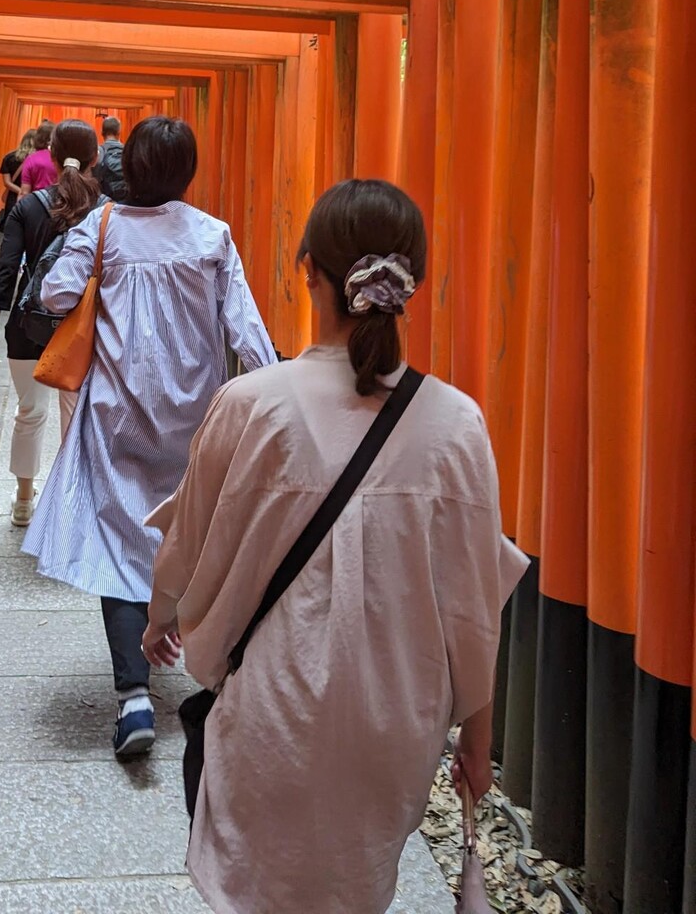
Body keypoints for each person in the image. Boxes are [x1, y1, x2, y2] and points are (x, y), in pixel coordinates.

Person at [141, 179, 528, 914]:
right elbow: (475, 607)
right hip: (395, 727)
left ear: (308, 270)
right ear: (411, 280)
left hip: (273, 714)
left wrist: (162, 617)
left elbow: (185, 547)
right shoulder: (457, 424)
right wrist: (475, 739)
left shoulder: (252, 404)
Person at [21, 116, 275, 759]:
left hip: (117, 412)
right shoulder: (213, 236)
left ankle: (134, 697)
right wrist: (276, 400)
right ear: (188, 172)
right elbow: (245, 329)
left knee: (120, 537)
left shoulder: (102, 228)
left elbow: (54, 295)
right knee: (198, 530)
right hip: (195, 414)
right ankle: (215, 670)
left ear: (127, 168)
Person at [0, 120, 104, 526]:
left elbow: (7, 270)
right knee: (75, 417)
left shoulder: (27, 207)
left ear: (52, 155)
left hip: (29, 327)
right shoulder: (106, 211)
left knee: (29, 413)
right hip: (82, 330)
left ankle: (24, 501)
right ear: (95, 159)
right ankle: (69, 503)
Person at [0, 128, 35, 231]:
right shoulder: (36, 160)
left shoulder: (9, 158)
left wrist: (20, 191)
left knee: (11, 226)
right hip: (33, 197)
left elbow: (7, 182)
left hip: (13, 197)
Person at [19, 119, 56, 195]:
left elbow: (24, 192)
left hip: (35, 202)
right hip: (57, 203)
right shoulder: (60, 158)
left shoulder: (31, 159)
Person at [95, 115, 127, 202]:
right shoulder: (129, 152)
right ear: (119, 132)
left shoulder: (97, 153)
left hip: (104, 203)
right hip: (126, 202)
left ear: (102, 133)